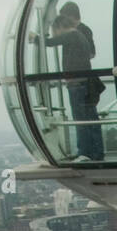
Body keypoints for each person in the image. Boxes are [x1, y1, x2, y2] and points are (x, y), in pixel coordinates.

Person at [36, 8, 104, 161]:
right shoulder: (79, 35)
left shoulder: (72, 35)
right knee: (91, 119)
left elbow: (49, 42)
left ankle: (84, 153)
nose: (55, 35)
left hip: (77, 85)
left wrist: (35, 38)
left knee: (81, 119)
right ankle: (96, 153)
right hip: (85, 83)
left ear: (60, 27)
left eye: (55, 31)